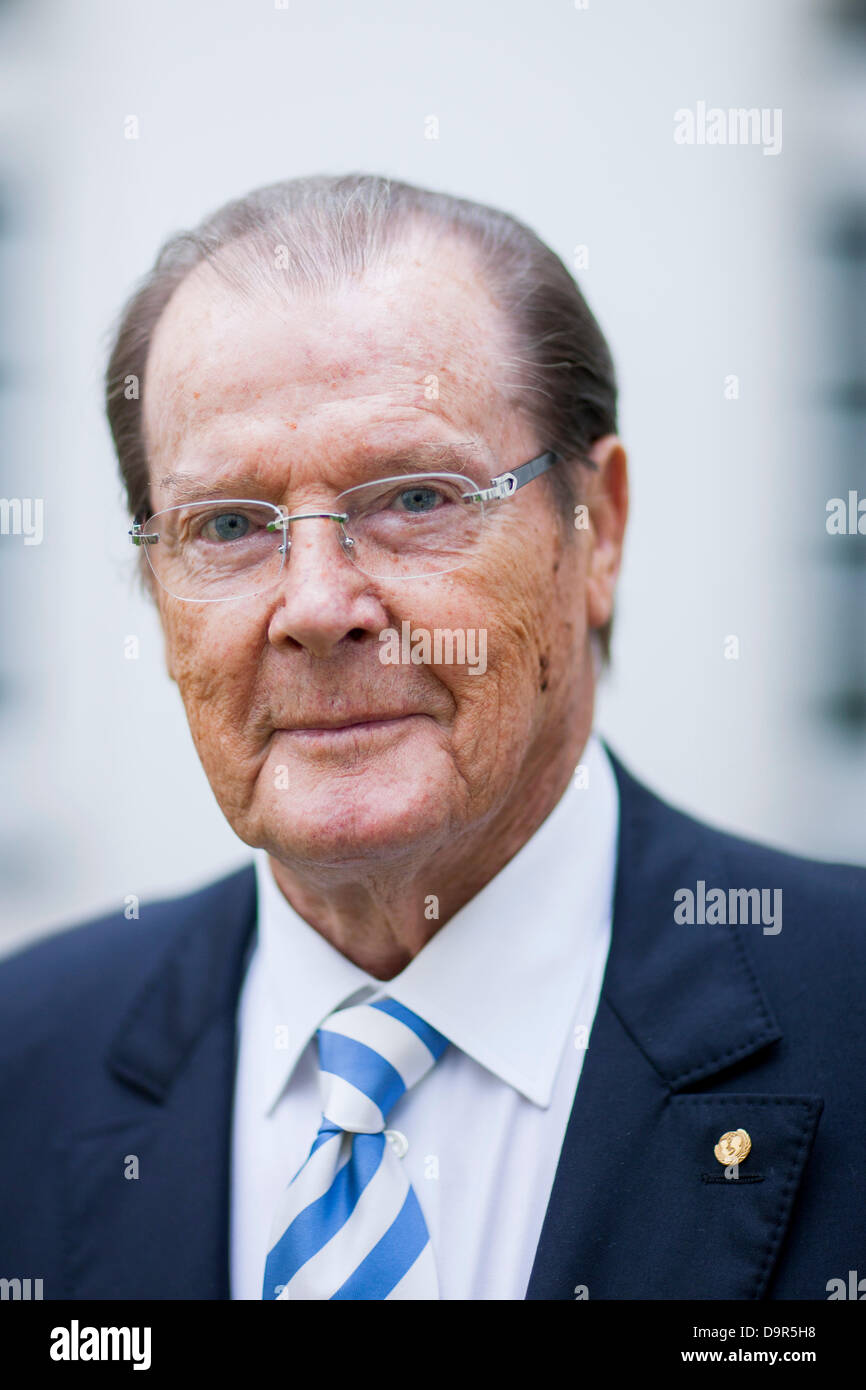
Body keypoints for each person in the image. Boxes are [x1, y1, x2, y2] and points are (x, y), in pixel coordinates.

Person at [1, 174, 863, 1301]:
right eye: (224, 524)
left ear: (594, 530)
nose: (317, 605)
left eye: (414, 498)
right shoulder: (27, 1063)